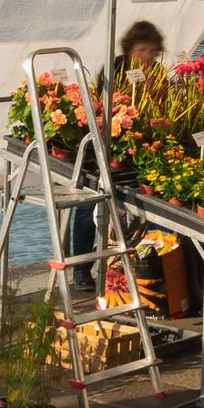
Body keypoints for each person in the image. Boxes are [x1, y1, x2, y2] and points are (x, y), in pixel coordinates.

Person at [69, 21, 166, 293]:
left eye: (151, 51)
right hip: (104, 148)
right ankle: (80, 269)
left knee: (148, 208)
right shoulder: (114, 69)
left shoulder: (157, 72)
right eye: (141, 50)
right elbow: (102, 107)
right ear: (129, 49)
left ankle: (139, 265)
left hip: (140, 150)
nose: (146, 57)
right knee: (87, 207)